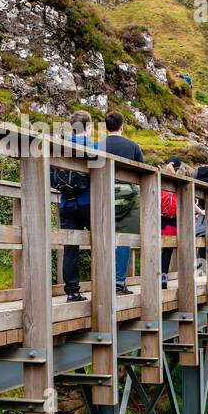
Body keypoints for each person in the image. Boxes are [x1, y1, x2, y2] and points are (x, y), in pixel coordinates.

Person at [52, 110, 95, 302]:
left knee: (70, 248)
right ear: (88, 127)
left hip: (66, 203)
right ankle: (105, 287)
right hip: (88, 202)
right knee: (101, 244)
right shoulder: (93, 147)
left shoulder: (60, 146)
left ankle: (72, 291)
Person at [102, 111, 144, 296]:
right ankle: (119, 283)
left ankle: (103, 282)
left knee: (104, 239)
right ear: (122, 126)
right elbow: (143, 172)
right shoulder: (133, 146)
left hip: (104, 195)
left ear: (106, 126)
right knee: (124, 239)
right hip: (128, 197)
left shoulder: (98, 145)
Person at [160, 156, 182, 289]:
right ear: (178, 168)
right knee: (167, 250)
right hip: (172, 220)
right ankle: (163, 276)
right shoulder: (177, 182)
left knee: (154, 248)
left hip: (158, 218)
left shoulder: (160, 177)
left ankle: (153, 276)